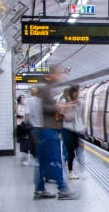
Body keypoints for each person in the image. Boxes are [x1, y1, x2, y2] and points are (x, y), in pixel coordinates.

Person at [31, 65, 78, 200]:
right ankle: (63, 189)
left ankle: (39, 190)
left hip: (42, 130)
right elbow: (44, 108)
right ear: (52, 74)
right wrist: (57, 107)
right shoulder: (45, 89)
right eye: (59, 73)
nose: (61, 76)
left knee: (43, 161)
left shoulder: (47, 89)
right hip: (47, 130)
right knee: (55, 160)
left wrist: (62, 106)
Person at [61, 84, 83, 179]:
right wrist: (68, 106)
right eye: (78, 91)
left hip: (76, 129)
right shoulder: (64, 101)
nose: (78, 93)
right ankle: (70, 172)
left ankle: (75, 168)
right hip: (67, 128)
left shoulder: (80, 103)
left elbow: (79, 115)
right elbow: (61, 113)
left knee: (76, 148)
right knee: (70, 151)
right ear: (73, 92)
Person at [15, 95, 31, 165]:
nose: (24, 100)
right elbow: (18, 115)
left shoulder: (25, 107)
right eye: (23, 99)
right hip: (21, 126)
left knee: (26, 141)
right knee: (24, 140)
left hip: (25, 125)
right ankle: (25, 155)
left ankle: (27, 154)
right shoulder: (18, 107)